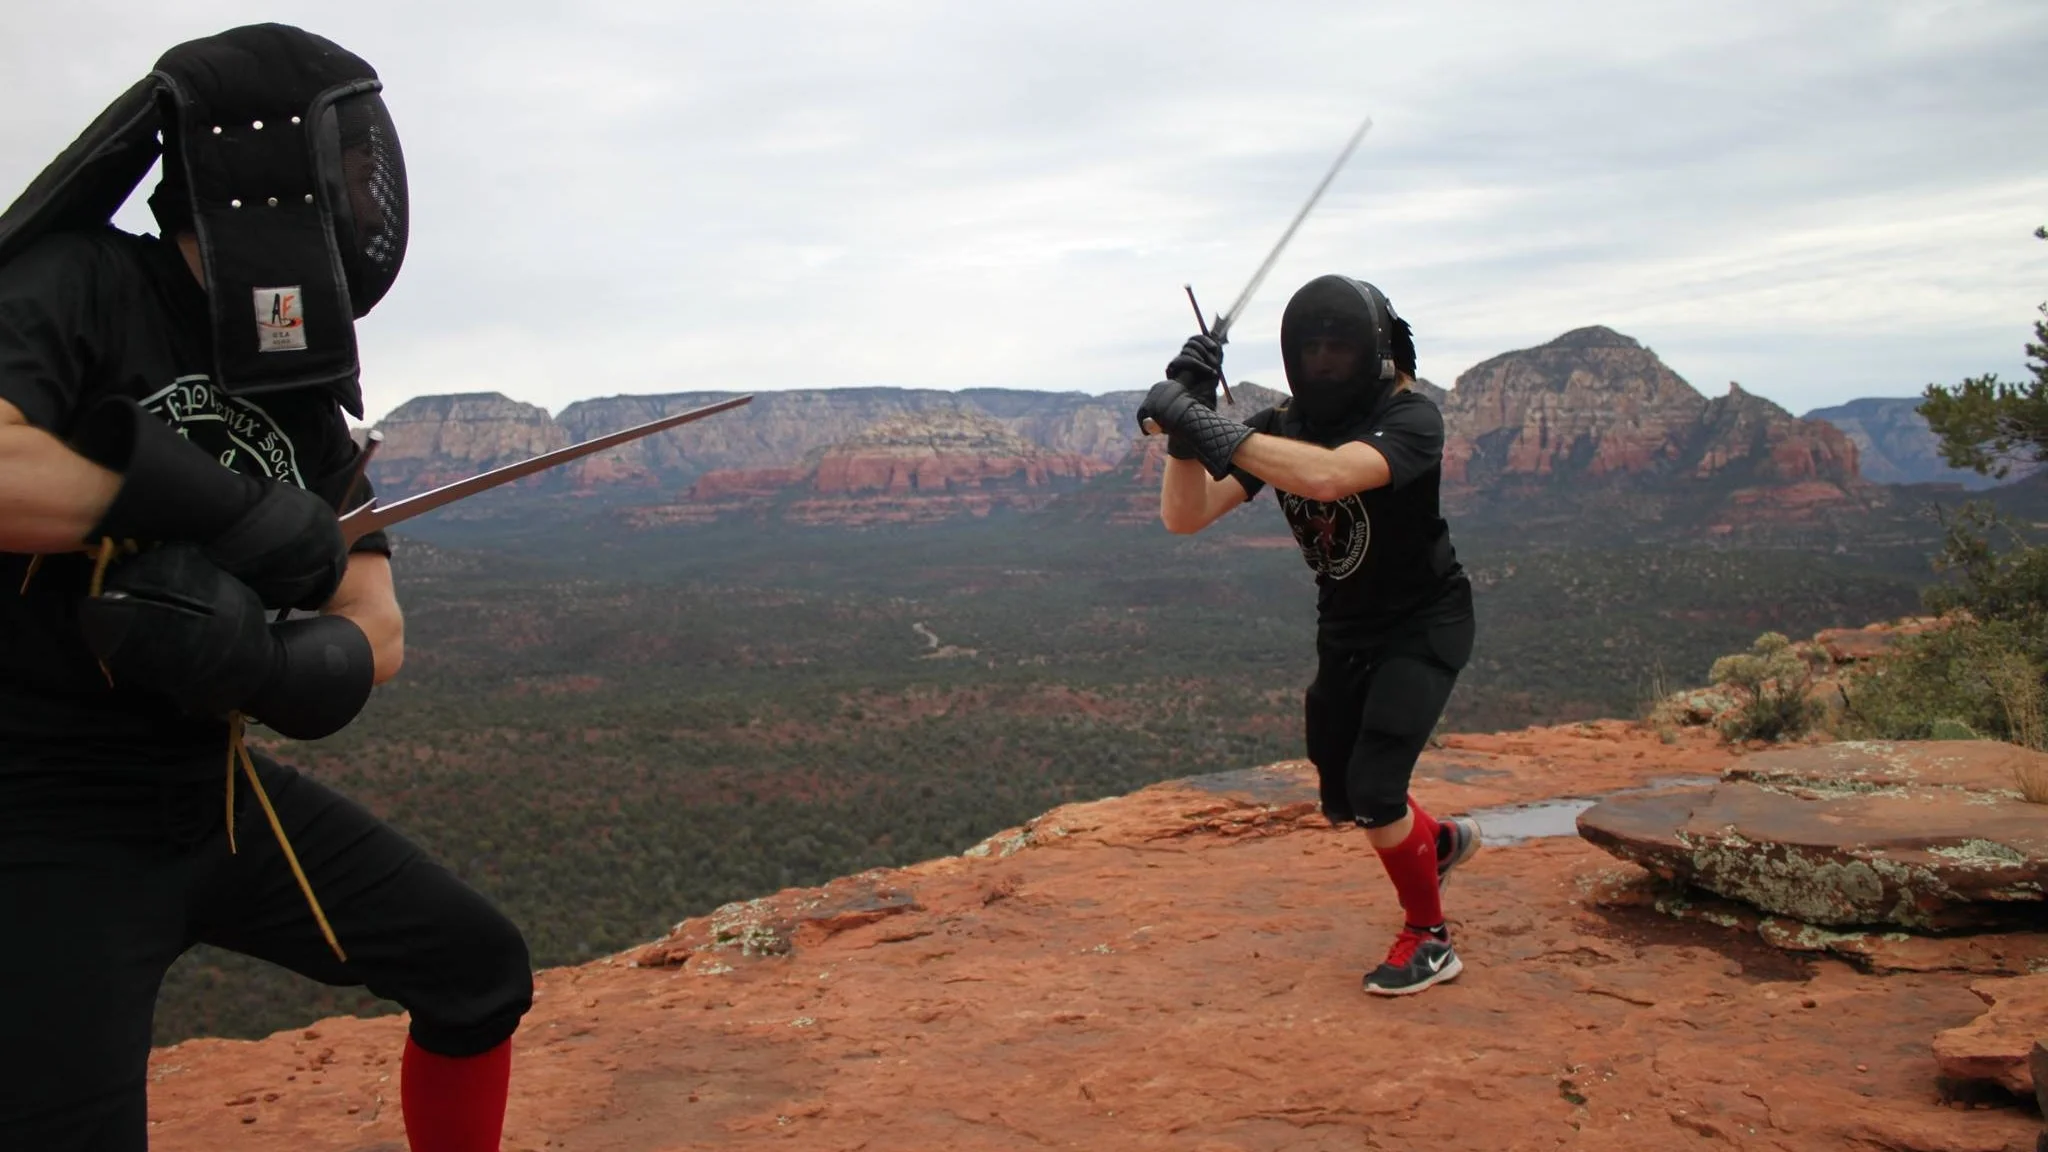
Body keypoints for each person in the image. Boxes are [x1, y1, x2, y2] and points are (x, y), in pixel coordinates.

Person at [0, 24, 530, 1151]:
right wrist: (223, 509)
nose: (365, 192)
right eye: (346, 162)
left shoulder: (290, 368)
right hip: (40, 815)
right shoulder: (80, 282)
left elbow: (374, 621)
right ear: (258, 164)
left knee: (476, 972)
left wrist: (275, 663)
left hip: (215, 800)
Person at [1137, 274, 1482, 996]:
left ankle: (1429, 936)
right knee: (1345, 795)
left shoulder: (1411, 419)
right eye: (1313, 346)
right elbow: (1185, 515)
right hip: (1346, 629)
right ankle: (1437, 843)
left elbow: (1328, 480)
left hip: (1423, 625)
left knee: (1377, 787)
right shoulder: (1283, 428)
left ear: (1379, 351)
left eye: (1341, 345)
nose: (1325, 359)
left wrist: (1203, 424)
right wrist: (1185, 432)